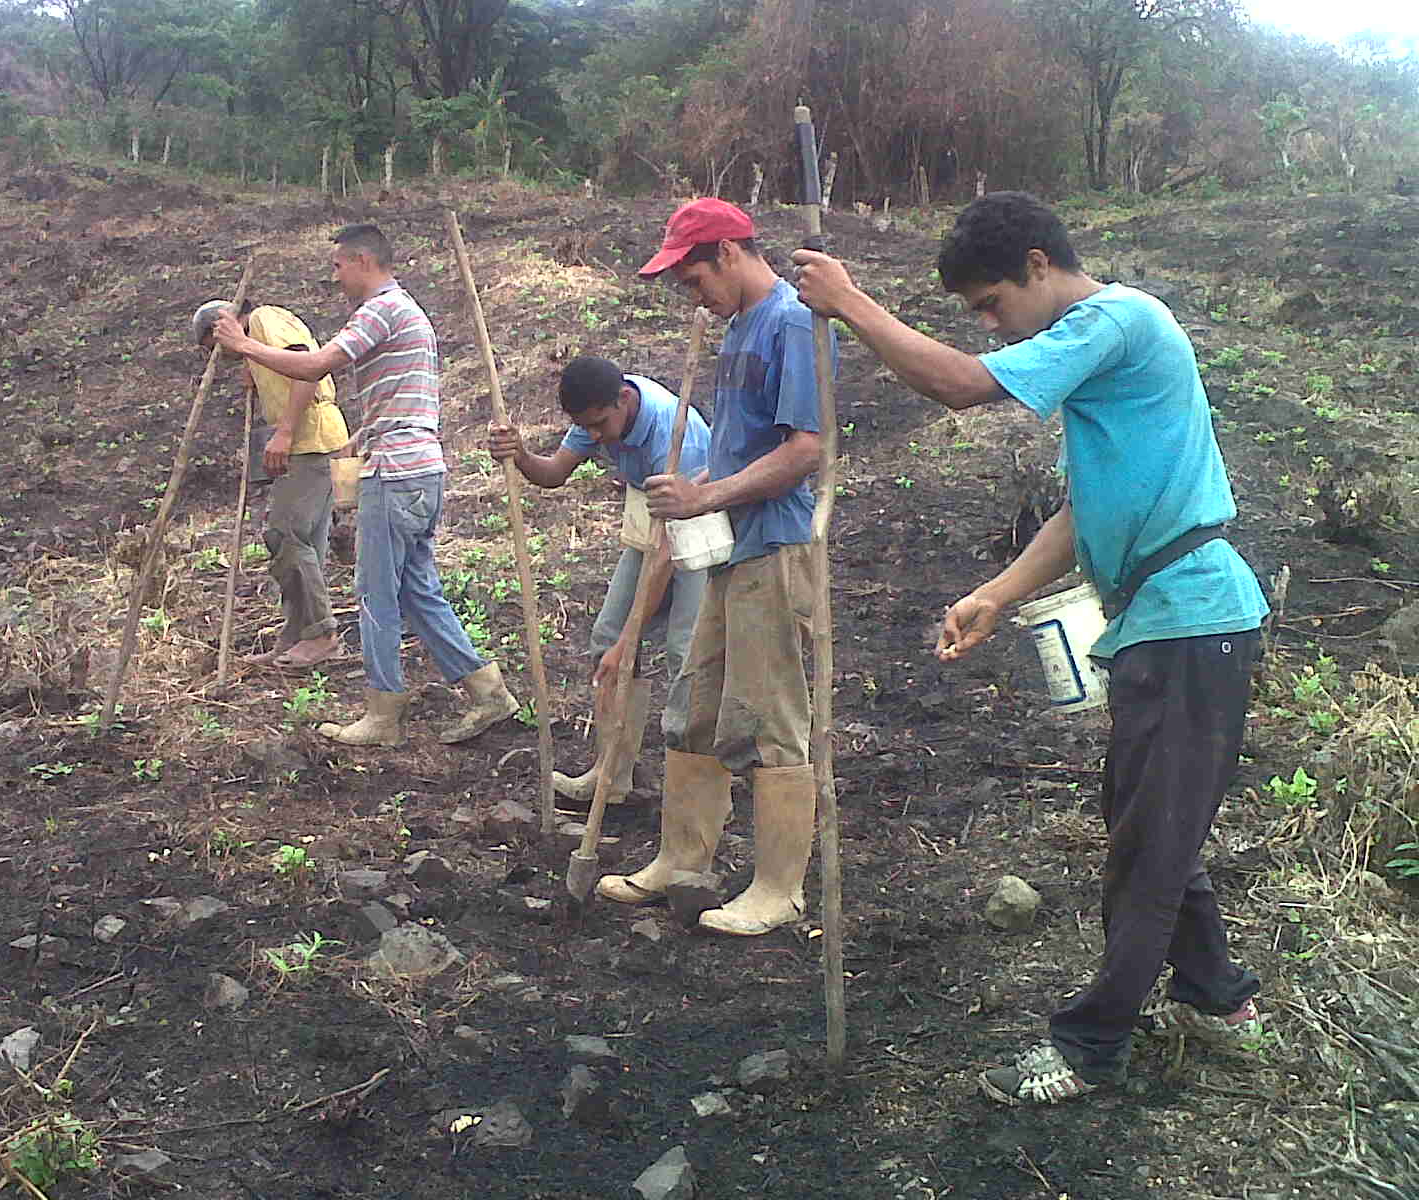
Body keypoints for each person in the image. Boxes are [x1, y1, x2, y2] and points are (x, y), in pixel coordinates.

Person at [793, 190, 1269, 1104]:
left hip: (1195, 620)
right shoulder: (1107, 360)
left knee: (1148, 844)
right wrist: (994, 594)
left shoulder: (1116, 321)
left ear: (1040, 265)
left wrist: (851, 302)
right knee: (1148, 823)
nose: (990, 324)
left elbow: (964, 387)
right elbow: (1083, 509)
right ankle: (1217, 997)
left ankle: (1092, 1046)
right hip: (1161, 620)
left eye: (989, 303)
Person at [595, 197, 832, 937]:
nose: (690, 295)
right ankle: (682, 858)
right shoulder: (738, 327)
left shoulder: (794, 322)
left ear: (728, 253)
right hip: (728, 544)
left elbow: (805, 450)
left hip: (775, 545)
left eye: (693, 278)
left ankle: (777, 887)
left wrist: (707, 496)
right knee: (694, 706)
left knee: (770, 718)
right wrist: (705, 506)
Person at [211, 223, 517, 747]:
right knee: (417, 591)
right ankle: (487, 689)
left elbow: (317, 364)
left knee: (376, 592)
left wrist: (245, 346)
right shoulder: (405, 311)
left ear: (361, 261)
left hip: (396, 475)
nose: (334, 276)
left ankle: (382, 711)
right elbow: (402, 399)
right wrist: (360, 437)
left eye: (337, 266)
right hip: (421, 467)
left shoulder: (381, 309)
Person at [486, 355, 711, 803]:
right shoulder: (597, 410)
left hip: (699, 522)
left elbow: (669, 553)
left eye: (599, 425)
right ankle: (612, 776)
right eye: (583, 426)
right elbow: (552, 474)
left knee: (686, 652)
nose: (593, 435)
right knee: (606, 638)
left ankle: (695, 794)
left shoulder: (672, 433)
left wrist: (631, 640)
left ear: (624, 399)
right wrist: (520, 453)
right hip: (653, 518)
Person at [193, 298, 350, 671]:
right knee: (306, 541)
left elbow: (306, 371)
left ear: (223, 327)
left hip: (311, 441)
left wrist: (285, 431)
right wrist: (255, 363)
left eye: (213, 348)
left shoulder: (265, 318)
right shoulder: (258, 344)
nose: (219, 357)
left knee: (286, 535)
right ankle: (297, 634)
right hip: (314, 439)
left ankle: (321, 635)